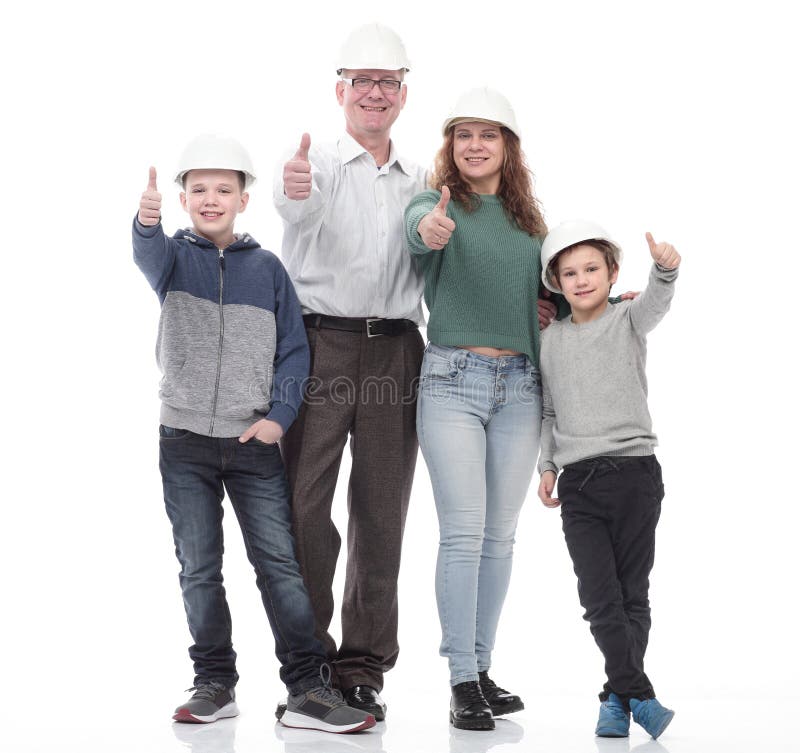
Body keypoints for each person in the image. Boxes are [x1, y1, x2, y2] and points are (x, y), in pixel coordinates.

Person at [133, 133, 375, 733]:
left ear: (245, 198)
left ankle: (307, 690)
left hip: (253, 443)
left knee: (280, 565)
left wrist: (278, 421)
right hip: (184, 441)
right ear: (184, 198)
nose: (210, 199)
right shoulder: (173, 260)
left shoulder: (267, 269)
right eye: (198, 190)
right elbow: (145, 253)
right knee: (199, 566)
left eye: (224, 189)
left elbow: (294, 352)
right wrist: (145, 221)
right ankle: (214, 681)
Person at [272, 24, 427, 721]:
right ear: (340, 90)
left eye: (386, 81)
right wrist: (294, 186)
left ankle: (362, 666)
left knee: (381, 511)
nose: (374, 92)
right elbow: (293, 203)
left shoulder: (423, 181)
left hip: (397, 348)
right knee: (303, 506)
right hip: (320, 345)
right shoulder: (318, 165)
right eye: (361, 80)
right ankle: (307, 662)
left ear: (402, 94)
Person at [404, 87, 556, 731]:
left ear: (507, 147)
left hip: (521, 387)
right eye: (463, 134)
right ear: (450, 146)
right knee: (463, 534)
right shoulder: (435, 201)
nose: (474, 145)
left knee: (501, 537)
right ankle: (460, 676)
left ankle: (483, 669)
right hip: (452, 382)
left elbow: (552, 294)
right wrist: (430, 229)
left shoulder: (530, 221)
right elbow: (419, 232)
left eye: (487, 135)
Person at [536, 219, 680, 740]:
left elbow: (656, 305)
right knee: (600, 599)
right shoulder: (548, 340)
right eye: (569, 272)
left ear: (612, 272)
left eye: (591, 268)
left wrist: (664, 270)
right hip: (580, 485)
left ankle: (615, 701)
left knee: (631, 595)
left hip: (636, 475)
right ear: (555, 282)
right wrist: (548, 465)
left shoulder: (627, 319)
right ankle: (637, 692)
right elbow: (548, 410)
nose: (581, 279)